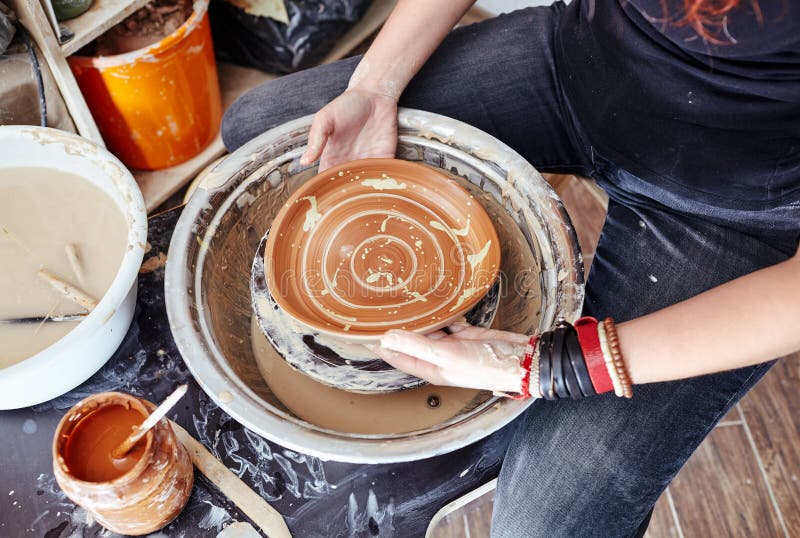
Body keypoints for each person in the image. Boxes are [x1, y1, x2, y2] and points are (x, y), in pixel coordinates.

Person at [221, 0, 800, 535]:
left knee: (543, 525)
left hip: (732, 203)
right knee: (262, 128)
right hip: (577, 69)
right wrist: (375, 88)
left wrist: (551, 368)